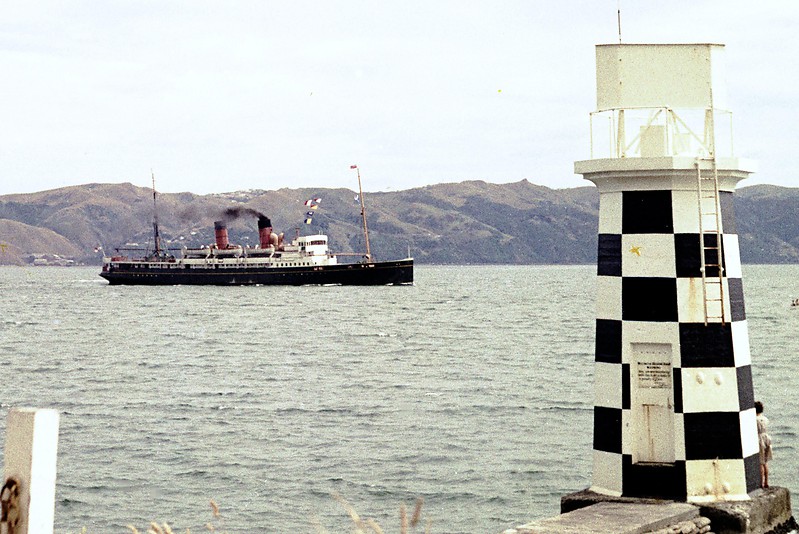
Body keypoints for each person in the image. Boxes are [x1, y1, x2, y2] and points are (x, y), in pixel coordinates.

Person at [756, 401, 773, 488]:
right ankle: (766, 481)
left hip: (760, 439)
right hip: (766, 437)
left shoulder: (755, 419)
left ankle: (761, 483)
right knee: (765, 462)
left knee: (760, 462)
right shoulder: (765, 419)